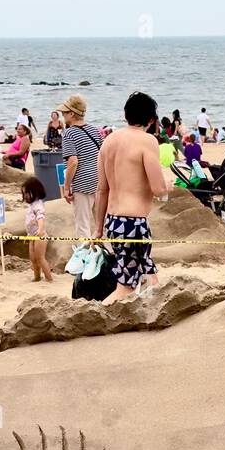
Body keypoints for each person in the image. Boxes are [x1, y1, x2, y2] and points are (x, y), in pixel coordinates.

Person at [94, 90, 169, 302]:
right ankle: (99, 318)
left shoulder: (109, 141)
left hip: (114, 221)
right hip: (133, 223)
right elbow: (158, 188)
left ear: (126, 115)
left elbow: (102, 190)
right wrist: (168, 186)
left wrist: (98, 228)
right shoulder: (147, 141)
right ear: (152, 119)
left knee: (151, 277)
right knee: (125, 288)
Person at [58, 94, 104, 244]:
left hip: (82, 183)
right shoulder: (95, 131)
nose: (62, 115)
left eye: (64, 112)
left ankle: (84, 260)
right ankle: (107, 257)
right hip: (100, 181)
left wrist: (66, 187)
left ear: (72, 113)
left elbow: (73, 162)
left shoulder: (69, 133)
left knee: (82, 226)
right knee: (101, 225)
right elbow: (103, 155)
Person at [21, 175, 53, 283]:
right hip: (32, 236)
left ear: (35, 192)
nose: (25, 196)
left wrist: (40, 229)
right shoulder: (31, 206)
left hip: (40, 235)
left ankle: (49, 278)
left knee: (40, 258)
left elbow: (40, 217)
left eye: (27, 193)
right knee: (33, 259)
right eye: (23, 194)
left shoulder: (38, 205)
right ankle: (37, 277)